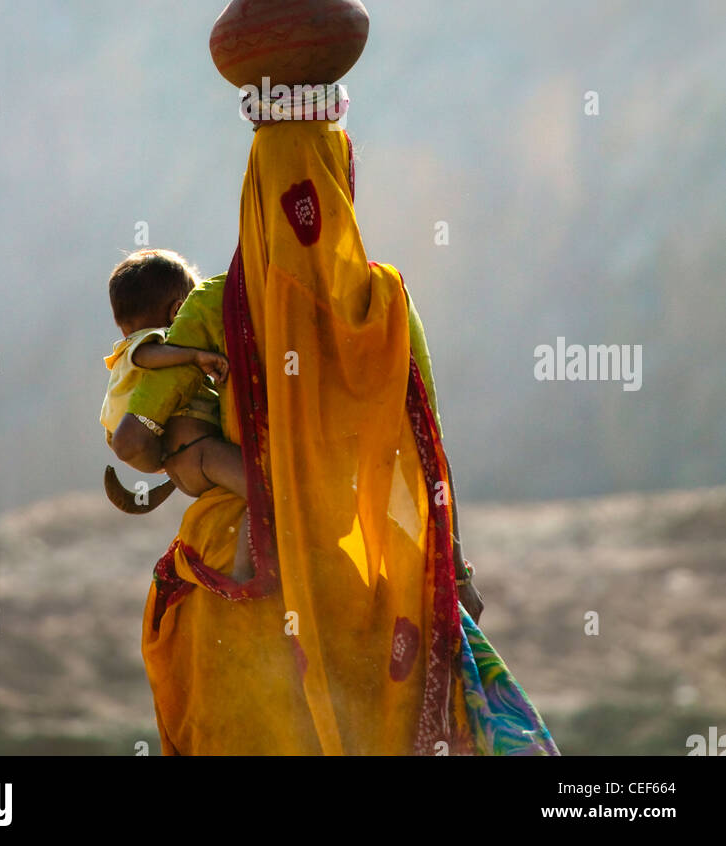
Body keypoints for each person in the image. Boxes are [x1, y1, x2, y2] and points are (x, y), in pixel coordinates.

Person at [111, 122, 556, 756]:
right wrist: (452, 569)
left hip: (240, 559)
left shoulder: (216, 304)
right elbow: (426, 444)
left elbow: (139, 439)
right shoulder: (383, 302)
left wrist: (190, 451)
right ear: (346, 187)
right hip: (355, 560)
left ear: (254, 197)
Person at [101, 249, 247, 512]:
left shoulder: (129, 352)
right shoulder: (150, 343)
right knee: (267, 495)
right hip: (202, 452)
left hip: (181, 465)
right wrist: (194, 354)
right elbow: (146, 355)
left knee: (247, 514)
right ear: (178, 310)